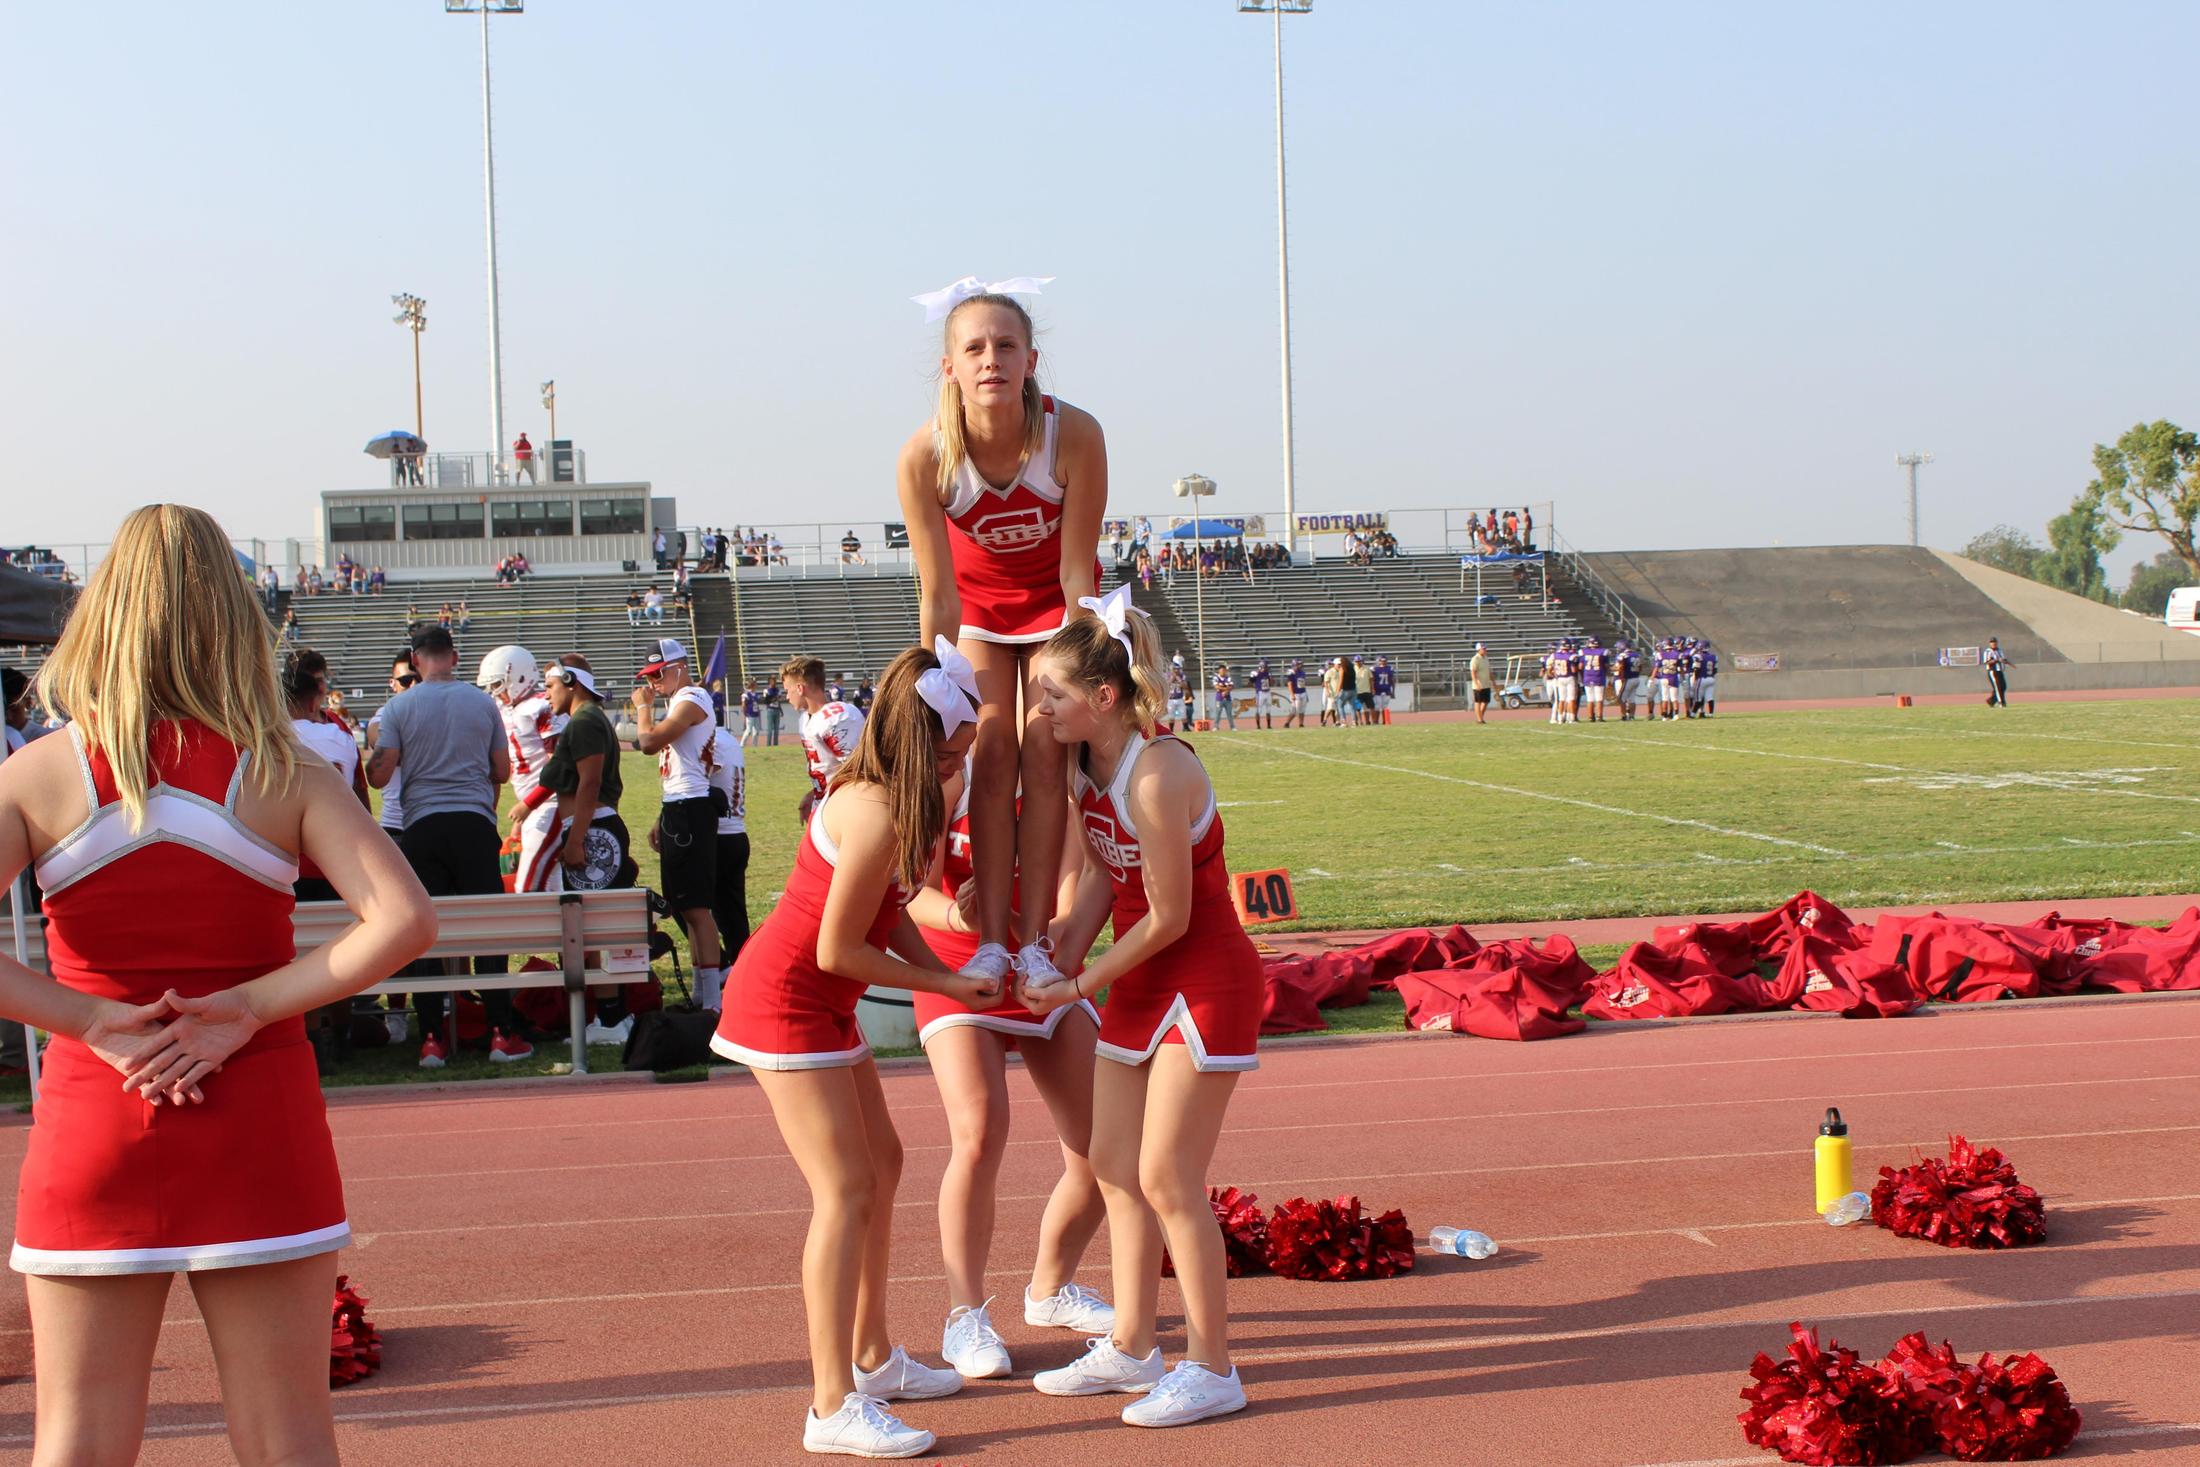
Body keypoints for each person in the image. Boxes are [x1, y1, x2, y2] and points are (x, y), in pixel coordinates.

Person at [0, 502, 435, 1466]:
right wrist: (246, 1009)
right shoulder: (288, 769)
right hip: (259, 1117)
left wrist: (93, 1022)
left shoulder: (36, 774)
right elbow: (405, 919)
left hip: (93, 1114)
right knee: (286, 1435)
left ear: (100, 617)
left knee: (75, 1438)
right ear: (231, 621)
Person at [710, 645, 1001, 1458]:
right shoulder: (872, 808)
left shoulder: (902, 802)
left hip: (820, 1003)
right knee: (844, 1190)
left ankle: (872, 1357)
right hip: (787, 1003)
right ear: (913, 746)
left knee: (886, 1162)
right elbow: (841, 947)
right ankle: (830, 1402)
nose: (958, 768)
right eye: (948, 755)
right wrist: (936, 981)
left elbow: (891, 908)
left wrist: (944, 965)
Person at [1020, 585, 1261, 1428]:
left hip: (1205, 978)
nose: (1040, 707)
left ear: (1105, 697)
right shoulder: (1089, 768)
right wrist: (1057, 951)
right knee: (1112, 1163)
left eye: (1053, 693)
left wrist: (1079, 985)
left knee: (1166, 1175)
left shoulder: (1159, 770)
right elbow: (1099, 878)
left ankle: (1213, 1365)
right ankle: (1131, 1343)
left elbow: (1170, 914)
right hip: (1144, 978)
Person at [904, 639, 1112, 1385]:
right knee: (982, 1127)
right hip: (961, 968)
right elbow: (914, 892)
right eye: (1034, 699)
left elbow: (1080, 881)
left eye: (1051, 701)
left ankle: (1050, 1288)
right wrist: (966, 924)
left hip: (1041, 964)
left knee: (1106, 1144)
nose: (1041, 715)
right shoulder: (952, 776)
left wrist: (1052, 945)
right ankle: (965, 1312)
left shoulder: (1078, 771)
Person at [897, 277, 1104, 993]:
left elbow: (1078, 568)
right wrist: (930, 687)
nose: (992, 359)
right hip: (981, 613)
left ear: (1031, 359)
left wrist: (1078, 669)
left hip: (1055, 608)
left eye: (1006, 345)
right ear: (949, 366)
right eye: (975, 347)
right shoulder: (925, 456)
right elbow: (938, 591)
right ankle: (990, 943)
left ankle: (1037, 940)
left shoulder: (1073, 434)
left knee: (1047, 750)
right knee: (990, 750)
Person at [366, 624, 532, 1067]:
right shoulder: (483, 704)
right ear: (454, 657)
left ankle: (433, 1039)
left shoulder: (399, 707)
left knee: (425, 932)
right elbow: (501, 771)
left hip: (422, 827)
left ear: (416, 660)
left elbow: (378, 776)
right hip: (474, 824)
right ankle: (501, 1033)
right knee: (488, 928)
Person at [528, 658, 641, 1050]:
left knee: (593, 929)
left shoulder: (585, 721)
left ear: (571, 682)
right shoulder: (588, 720)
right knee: (593, 927)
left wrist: (576, 840)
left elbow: (590, 783)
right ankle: (608, 1014)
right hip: (592, 829)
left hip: (591, 832)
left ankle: (610, 1018)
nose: (546, 693)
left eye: (550, 685)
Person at [783, 655, 866, 828]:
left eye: (787, 690)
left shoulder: (837, 716)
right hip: (825, 804)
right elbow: (829, 768)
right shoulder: (806, 719)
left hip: (845, 808)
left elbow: (859, 770)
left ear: (799, 688)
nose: (786, 696)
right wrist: (814, 793)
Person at [1469, 643, 1493, 724]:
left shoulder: (1486, 658)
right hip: (1478, 684)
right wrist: (1476, 683)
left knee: (1486, 701)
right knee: (1478, 701)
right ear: (1478, 649)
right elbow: (1473, 672)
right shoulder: (1475, 659)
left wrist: (1493, 682)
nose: (1485, 650)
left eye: (1485, 648)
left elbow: (1489, 671)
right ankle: (1480, 719)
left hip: (1486, 683)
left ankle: (1480, 717)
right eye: (1483, 649)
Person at [1164, 655, 1189, 731]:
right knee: (1171, 716)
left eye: (1178, 669)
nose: (1177, 671)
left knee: (1183, 714)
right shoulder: (1167, 675)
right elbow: (1166, 685)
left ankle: (1185, 728)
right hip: (1171, 699)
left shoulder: (1182, 676)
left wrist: (1179, 679)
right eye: (1175, 669)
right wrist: (1172, 678)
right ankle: (1171, 729)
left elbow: (1185, 686)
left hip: (1180, 698)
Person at [1370, 655, 1395, 726]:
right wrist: (1372, 689)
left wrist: (1393, 691)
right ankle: (1376, 721)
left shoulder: (1389, 668)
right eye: (1381, 661)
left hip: (1386, 689)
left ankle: (1385, 721)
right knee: (1377, 706)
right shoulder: (1374, 669)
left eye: (1384, 661)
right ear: (1378, 661)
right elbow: (1372, 680)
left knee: (1385, 707)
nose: (1383, 662)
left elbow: (1392, 680)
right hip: (1377, 690)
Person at [1211, 663, 1237, 730]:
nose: (1223, 672)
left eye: (1224, 670)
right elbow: (1216, 686)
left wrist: (1226, 691)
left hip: (1228, 699)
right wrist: (1226, 689)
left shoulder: (1228, 678)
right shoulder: (1216, 678)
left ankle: (1232, 727)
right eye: (1221, 670)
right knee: (1218, 713)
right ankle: (1216, 726)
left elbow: (1231, 686)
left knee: (1229, 714)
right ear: (1219, 671)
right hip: (1219, 698)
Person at [740, 679, 764, 747]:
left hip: (755, 714)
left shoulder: (756, 694)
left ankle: (754, 745)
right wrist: (745, 713)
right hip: (749, 714)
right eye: (755, 684)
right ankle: (742, 744)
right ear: (752, 686)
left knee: (756, 731)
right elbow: (743, 704)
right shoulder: (746, 694)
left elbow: (757, 703)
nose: (756, 686)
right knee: (748, 730)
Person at [1983, 638, 2008, 707]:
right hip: (1993, 671)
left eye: (1994, 642)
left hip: (2000, 671)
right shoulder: (1988, 651)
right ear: (1990, 643)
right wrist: (1995, 660)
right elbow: (1986, 662)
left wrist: (2004, 661)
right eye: (1992, 642)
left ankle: (1991, 701)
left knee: (2003, 686)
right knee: (1998, 687)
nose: (1993, 643)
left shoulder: (1999, 650)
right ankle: (2001, 702)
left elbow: (2003, 659)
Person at [1283, 658, 1307, 728]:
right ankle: (1287, 722)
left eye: (1300, 664)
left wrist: (1306, 694)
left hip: (1303, 692)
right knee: (1295, 711)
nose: (1300, 665)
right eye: (1299, 664)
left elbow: (1303, 684)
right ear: (1294, 665)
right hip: (1296, 693)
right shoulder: (1291, 673)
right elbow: (1289, 684)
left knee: (1302, 710)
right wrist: (1292, 694)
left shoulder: (1302, 672)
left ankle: (1301, 724)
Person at [1249, 659, 1273, 731]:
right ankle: (1258, 726)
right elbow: (1250, 681)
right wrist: (1256, 686)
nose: (1268, 667)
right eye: (1266, 666)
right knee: (1259, 710)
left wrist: (1271, 679)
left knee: (1268, 710)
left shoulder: (1268, 673)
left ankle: (1269, 725)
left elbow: (1271, 683)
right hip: (1260, 693)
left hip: (1267, 692)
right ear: (1262, 666)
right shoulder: (1256, 673)